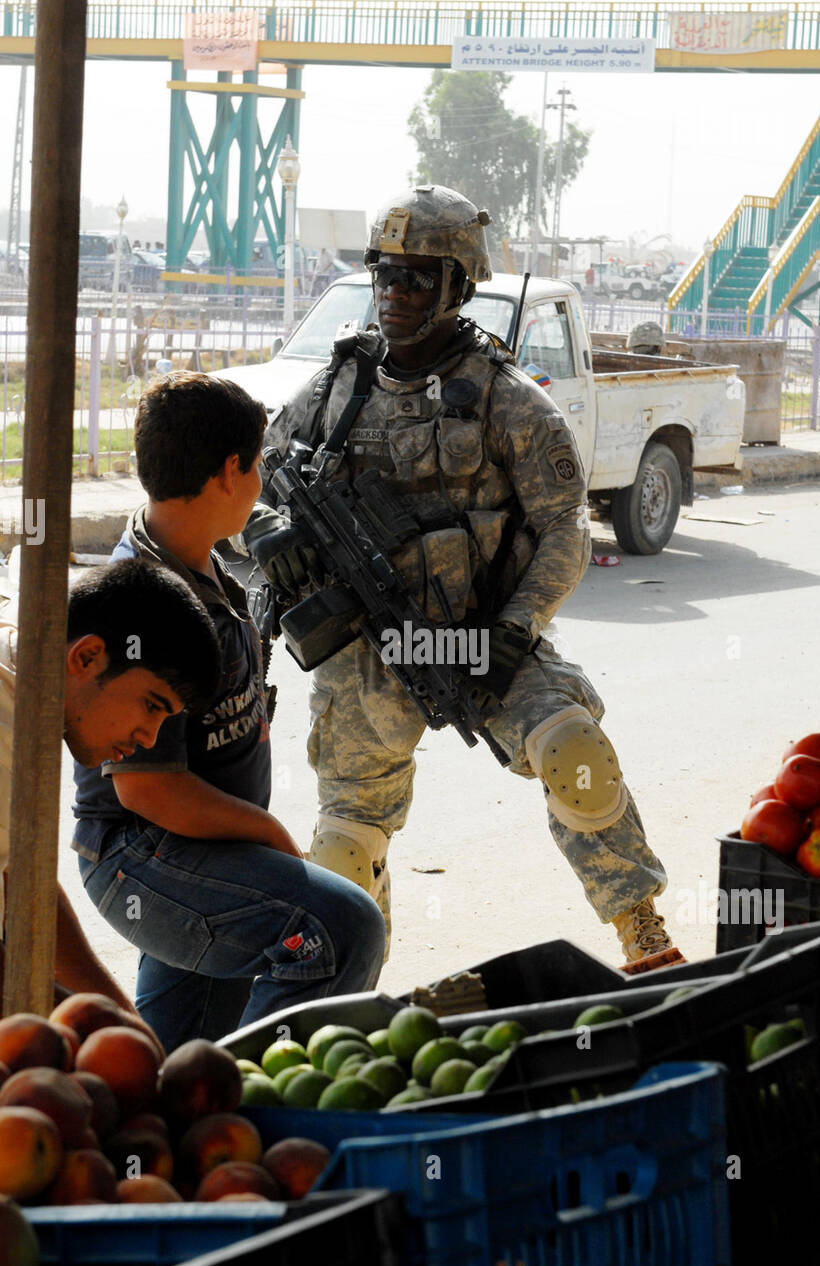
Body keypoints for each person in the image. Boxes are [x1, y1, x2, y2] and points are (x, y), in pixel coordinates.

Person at [243, 184, 685, 975]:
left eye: (417, 277)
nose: (395, 293)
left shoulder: (505, 399)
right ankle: (351, 992)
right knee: (345, 845)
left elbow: (563, 530)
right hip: (367, 648)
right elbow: (257, 482)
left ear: (457, 284)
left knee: (575, 756)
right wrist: (270, 534)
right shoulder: (336, 387)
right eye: (385, 274)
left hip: (484, 632)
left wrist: (516, 630)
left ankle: (643, 932)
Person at [72, 372, 385, 1053]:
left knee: (176, 1065)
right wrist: (267, 833)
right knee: (339, 927)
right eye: (258, 465)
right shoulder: (150, 596)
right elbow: (144, 785)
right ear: (227, 472)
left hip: (209, 853)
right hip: (147, 852)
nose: (261, 483)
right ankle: (264, 1119)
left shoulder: (197, 556)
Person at [0, 557, 222, 1011]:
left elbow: (21, 883)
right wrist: (100, 1026)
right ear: (86, 657)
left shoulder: (24, 655)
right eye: (151, 705)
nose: (148, 738)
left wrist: (124, 1022)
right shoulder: (6, 734)